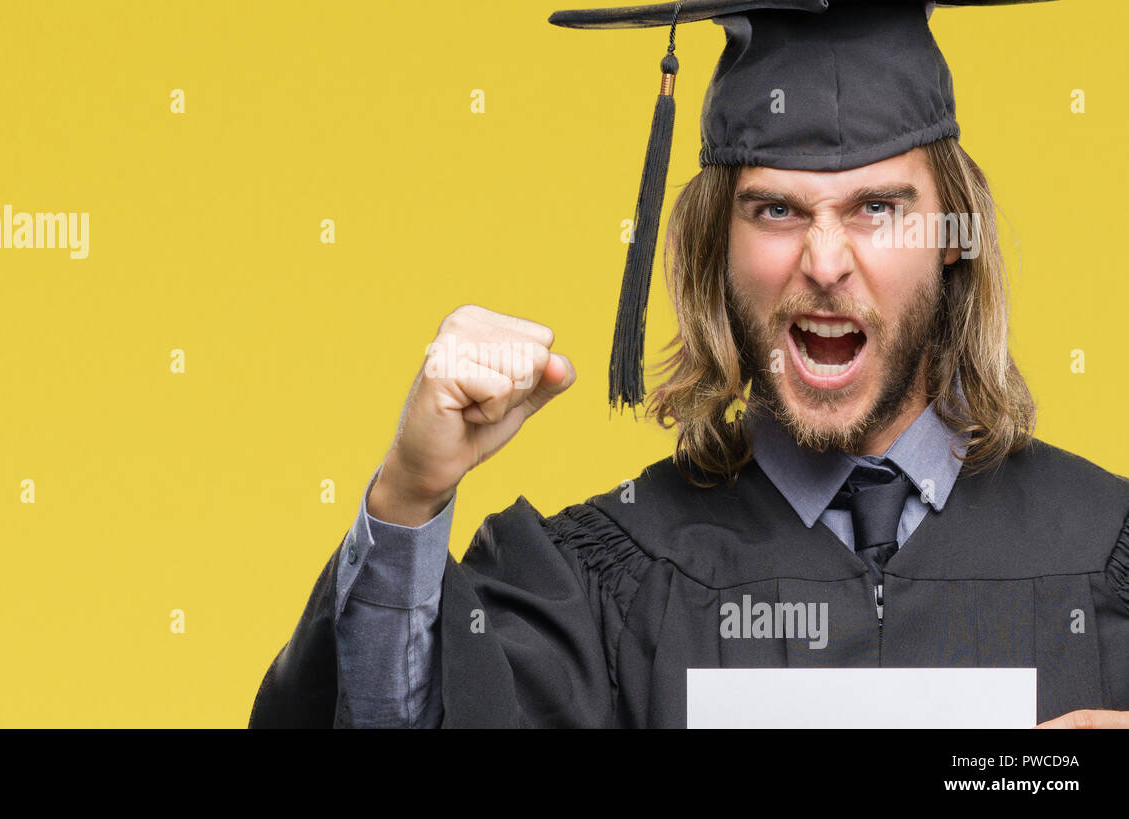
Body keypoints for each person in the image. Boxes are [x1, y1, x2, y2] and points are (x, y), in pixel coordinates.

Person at [249, 0, 1129, 728]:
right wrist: (409, 496)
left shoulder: (1106, 552)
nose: (824, 263)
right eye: (776, 210)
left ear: (951, 237)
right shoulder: (600, 591)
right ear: (716, 247)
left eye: (877, 207)